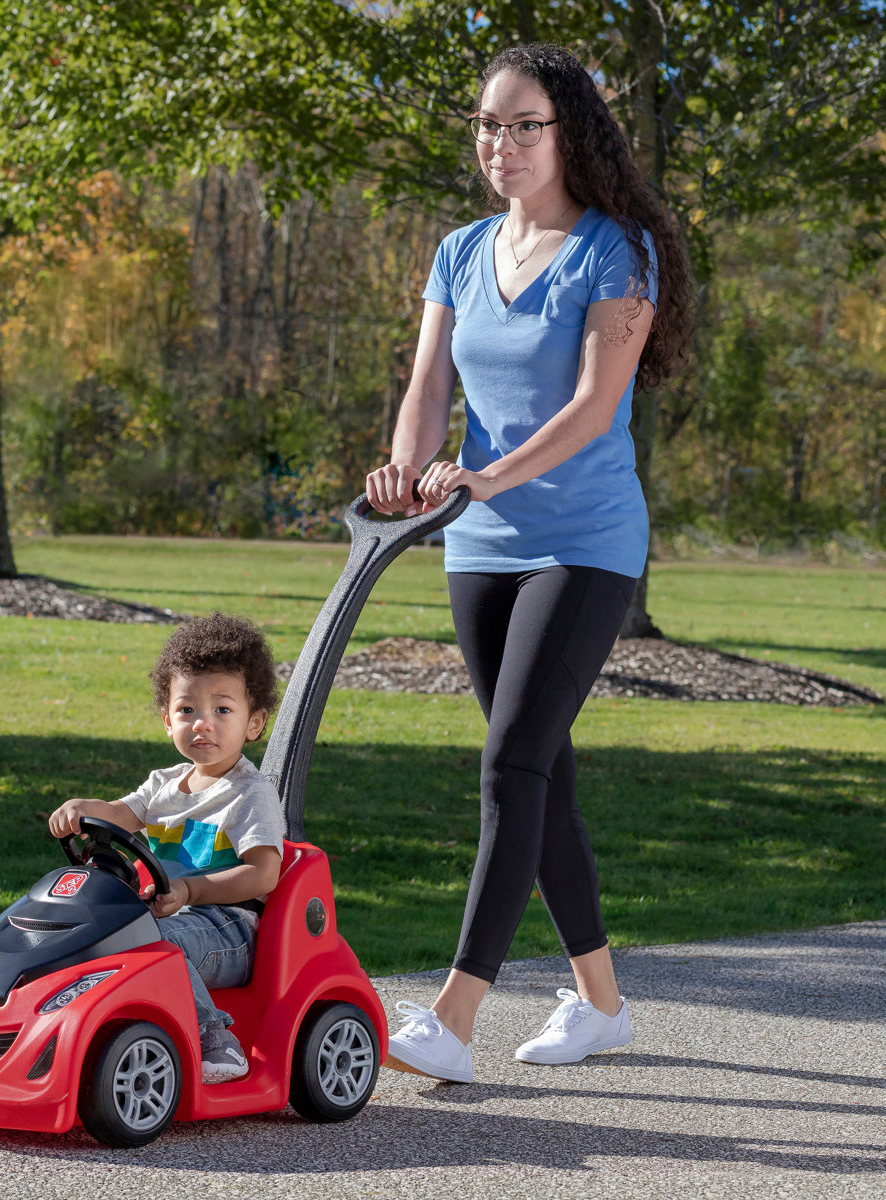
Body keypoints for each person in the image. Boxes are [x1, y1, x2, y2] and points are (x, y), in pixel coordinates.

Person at [366, 43, 693, 1081]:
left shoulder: (618, 252)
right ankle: (600, 1004)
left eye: (522, 127)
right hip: (478, 541)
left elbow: (595, 407)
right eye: (486, 126)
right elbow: (427, 388)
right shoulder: (461, 249)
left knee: (508, 766)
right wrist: (405, 470)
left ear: (569, 135)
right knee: (542, 773)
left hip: (585, 542)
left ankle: (452, 1020)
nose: (499, 145)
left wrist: (486, 477)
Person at [48, 612, 284, 1084]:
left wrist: (191, 890)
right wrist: (81, 807)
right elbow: (119, 812)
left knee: (155, 943)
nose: (202, 724)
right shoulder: (164, 785)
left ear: (253, 722)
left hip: (230, 927)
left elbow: (264, 876)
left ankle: (216, 1039)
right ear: (166, 719)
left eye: (222, 710)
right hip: (165, 914)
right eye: (187, 710)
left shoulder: (250, 794)